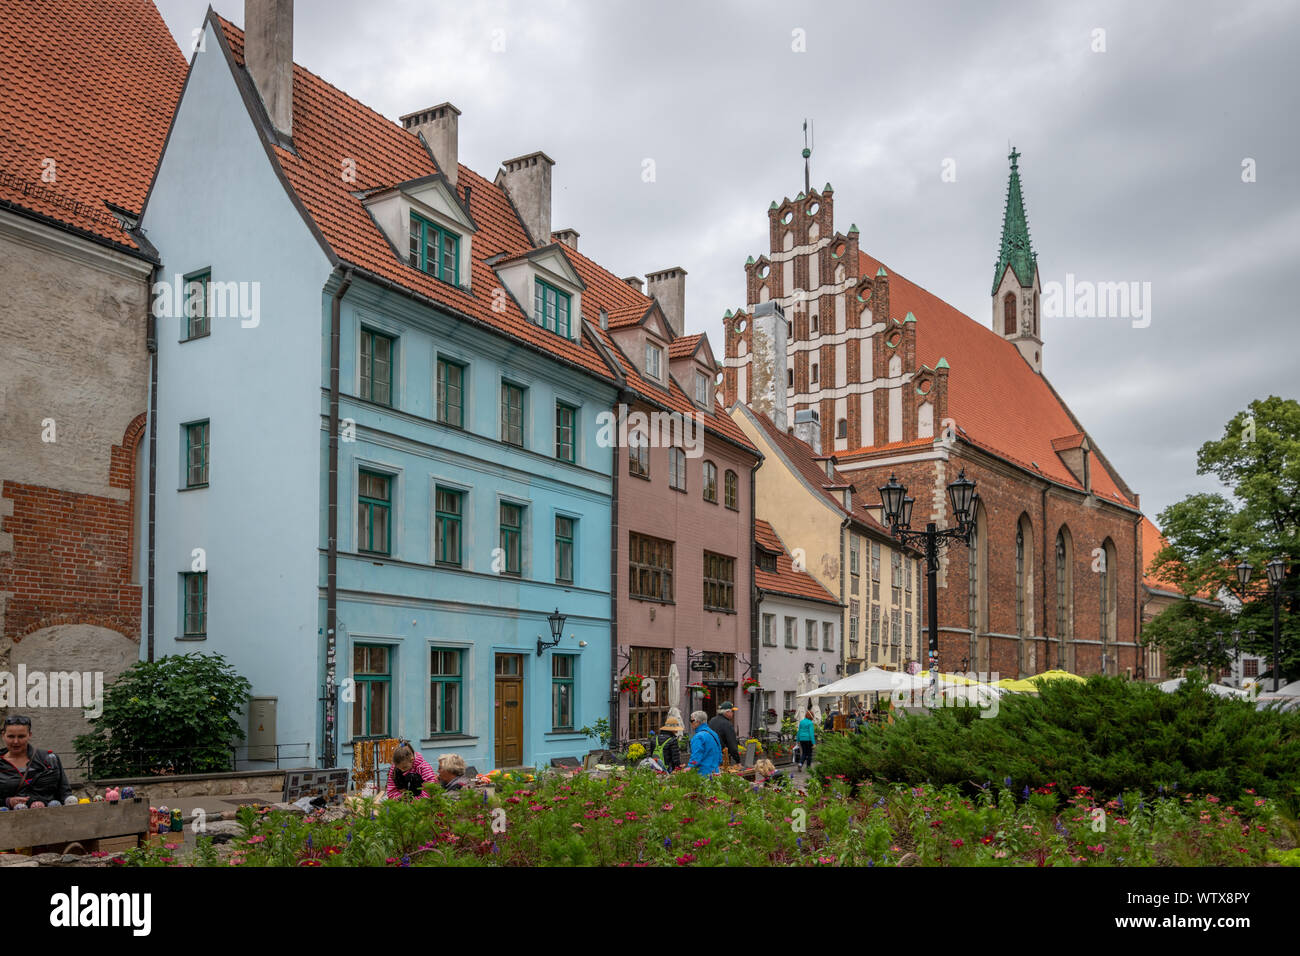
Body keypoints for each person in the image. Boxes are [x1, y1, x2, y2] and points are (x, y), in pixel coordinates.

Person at [0, 715, 72, 808]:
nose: (16, 741)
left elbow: (64, 793)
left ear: (29, 735)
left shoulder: (48, 758)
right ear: (3, 735)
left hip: (49, 818)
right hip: (8, 820)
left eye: (21, 736)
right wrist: (8, 802)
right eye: (11, 736)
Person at [686, 710, 721, 776]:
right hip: (716, 771)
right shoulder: (714, 734)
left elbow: (696, 756)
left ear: (698, 722)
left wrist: (689, 767)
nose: (690, 723)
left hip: (703, 773)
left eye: (691, 721)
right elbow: (719, 754)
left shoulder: (698, 737)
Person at [707, 701, 741, 766]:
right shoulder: (727, 724)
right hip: (722, 757)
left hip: (710, 755)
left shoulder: (712, 720)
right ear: (727, 712)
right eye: (732, 711)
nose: (733, 713)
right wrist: (738, 761)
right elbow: (732, 745)